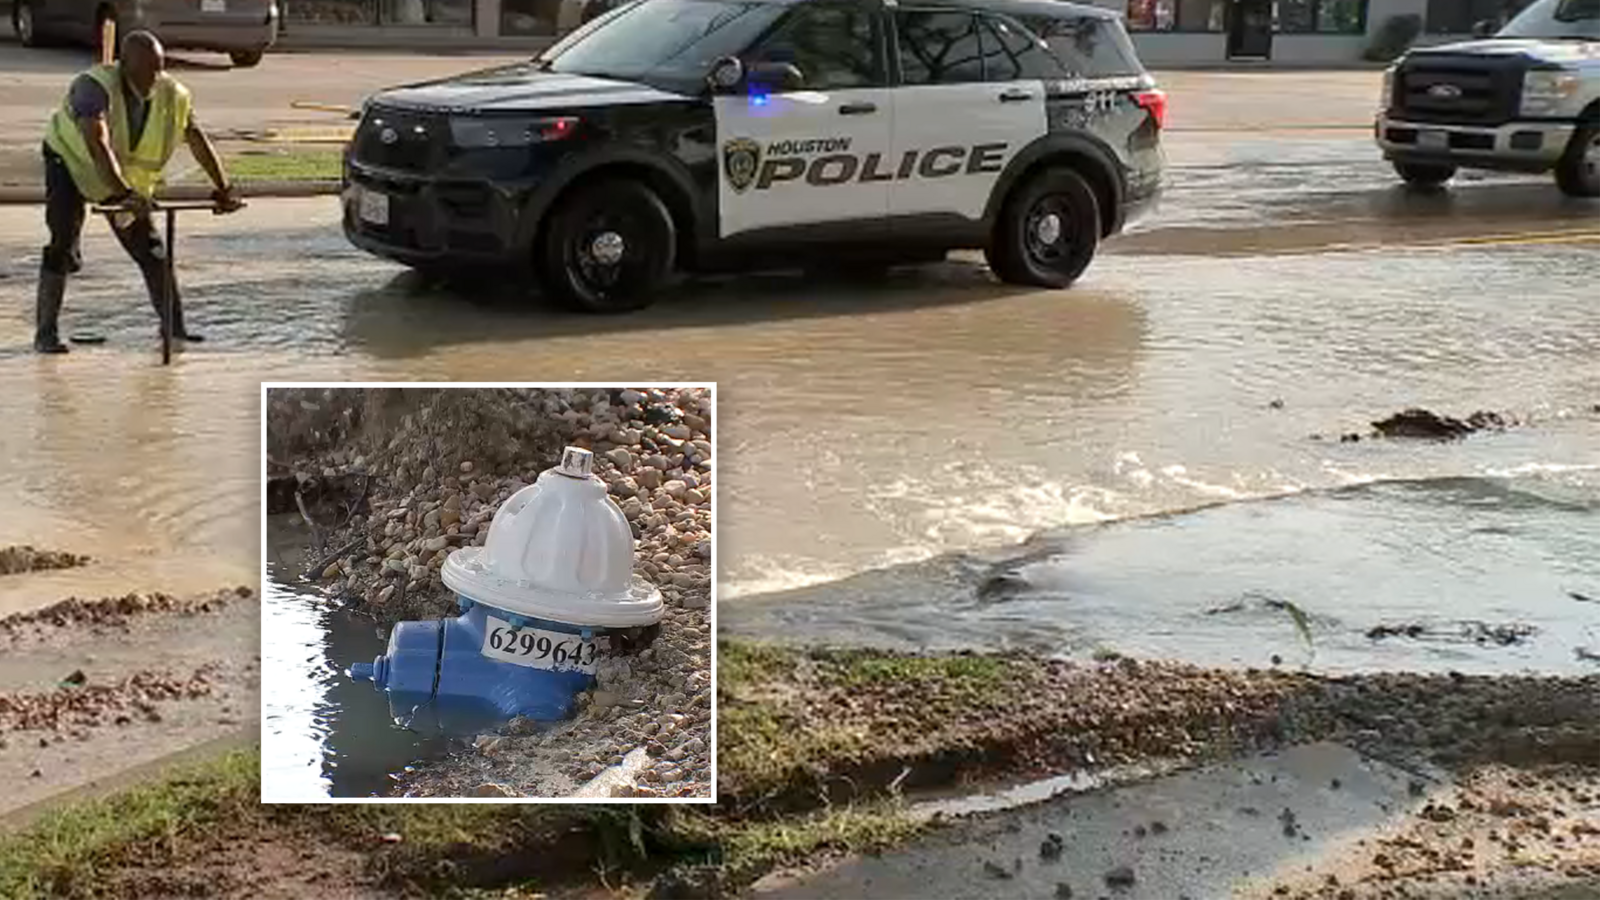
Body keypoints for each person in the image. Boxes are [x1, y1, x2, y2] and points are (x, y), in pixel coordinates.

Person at [35, 30, 243, 354]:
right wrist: (124, 194)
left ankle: (174, 328)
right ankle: (45, 334)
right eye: (144, 72)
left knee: (152, 251)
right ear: (124, 66)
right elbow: (97, 144)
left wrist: (223, 187)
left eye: (157, 70)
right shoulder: (92, 87)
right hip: (70, 164)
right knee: (62, 243)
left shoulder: (173, 94)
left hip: (121, 181)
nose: (151, 80)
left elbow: (197, 138)